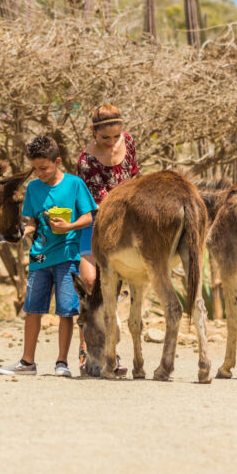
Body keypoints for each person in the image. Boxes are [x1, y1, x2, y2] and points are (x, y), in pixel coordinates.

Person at [0, 135, 96, 377]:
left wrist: (68, 227)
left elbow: (89, 217)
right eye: (35, 168)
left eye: (44, 168)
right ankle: (27, 362)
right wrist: (22, 233)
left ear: (58, 161)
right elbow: (32, 221)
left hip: (67, 256)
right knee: (32, 309)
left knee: (66, 311)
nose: (39, 173)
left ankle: (62, 362)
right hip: (39, 258)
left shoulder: (74, 185)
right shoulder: (33, 187)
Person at [75, 104, 139, 374]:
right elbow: (99, 201)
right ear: (93, 132)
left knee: (111, 289)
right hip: (96, 224)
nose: (113, 143)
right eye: (106, 138)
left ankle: (112, 350)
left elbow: (135, 176)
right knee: (90, 283)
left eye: (117, 136)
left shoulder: (129, 143)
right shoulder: (86, 160)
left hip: (125, 225)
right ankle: (84, 350)